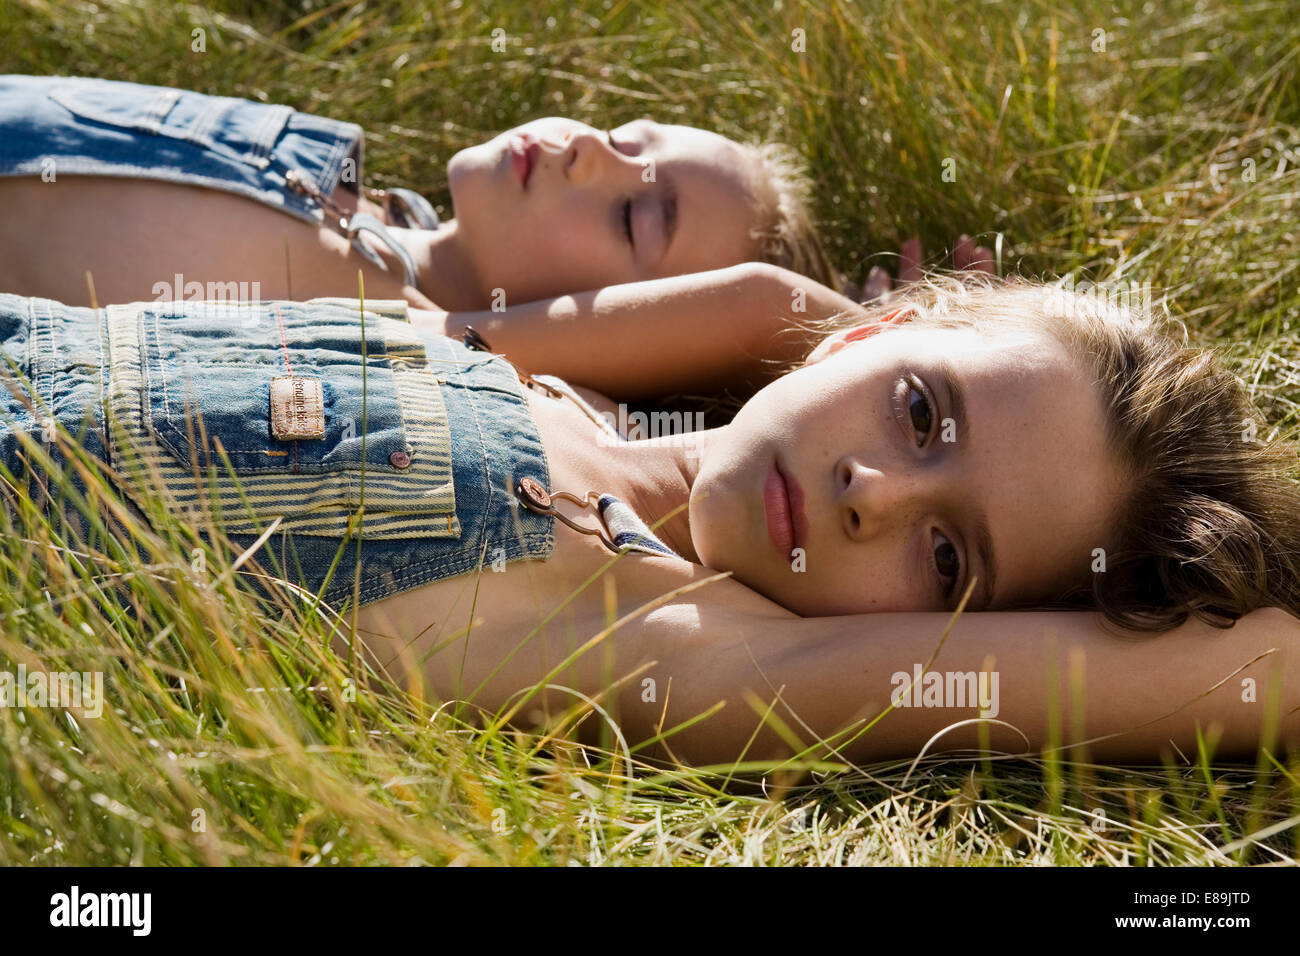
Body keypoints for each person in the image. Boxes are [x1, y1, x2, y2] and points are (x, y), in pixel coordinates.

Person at [1, 275, 1296, 768]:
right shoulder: (549, 386)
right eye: (918, 411)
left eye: (946, 555)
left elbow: (1246, 671)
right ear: (879, 326)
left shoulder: (679, 634)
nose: (875, 494)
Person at [1, 74, 912, 401]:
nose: (588, 149)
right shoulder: (355, 197)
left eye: (637, 216)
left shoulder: (397, 334)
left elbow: (752, 313)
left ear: (630, 322)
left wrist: (871, 342)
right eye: (628, 137)